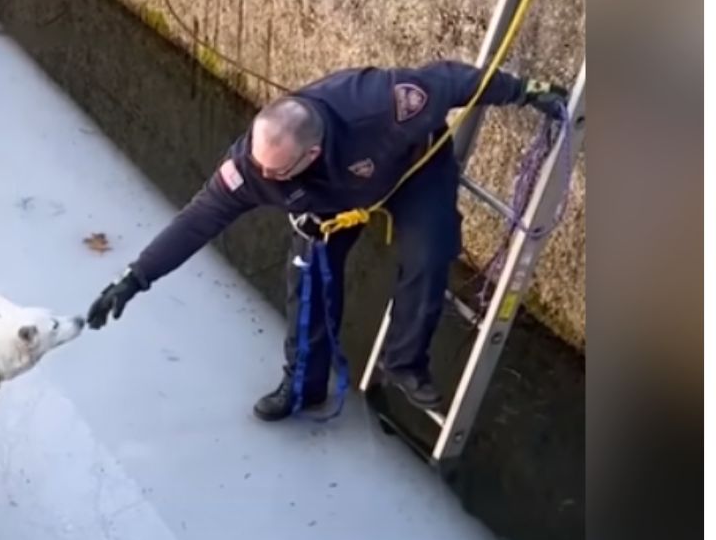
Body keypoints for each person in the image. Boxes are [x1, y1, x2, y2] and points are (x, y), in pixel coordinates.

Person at [84, 60, 568, 421]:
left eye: (275, 171)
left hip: (409, 169)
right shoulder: (252, 166)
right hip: (328, 201)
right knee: (309, 274)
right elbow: (195, 222)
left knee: (432, 251)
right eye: (259, 165)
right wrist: (134, 278)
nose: (262, 176)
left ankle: (404, 362)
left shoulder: (385, 104)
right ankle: (303, 387)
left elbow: (454, 80)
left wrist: (525, 91)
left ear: (311, 152)